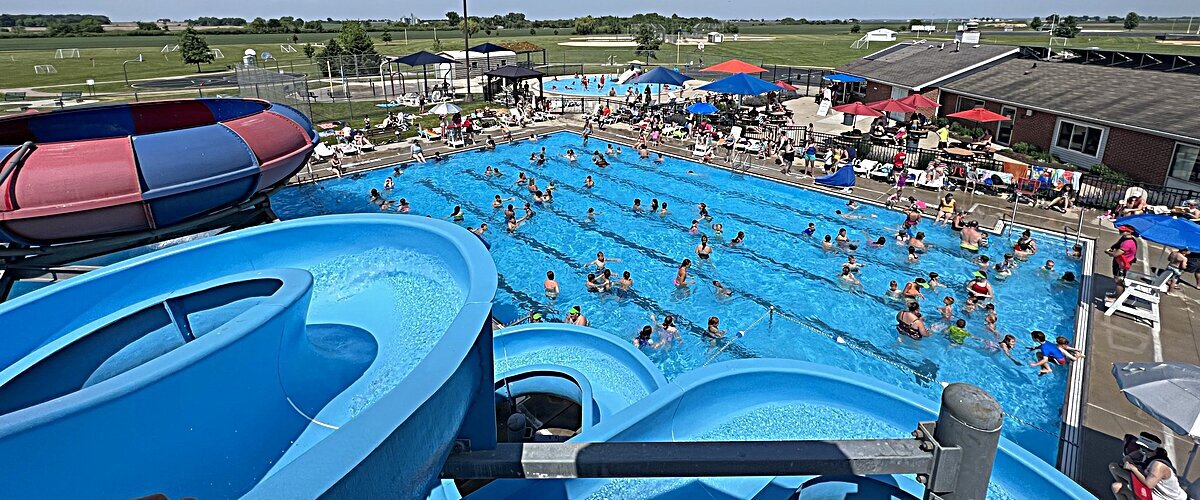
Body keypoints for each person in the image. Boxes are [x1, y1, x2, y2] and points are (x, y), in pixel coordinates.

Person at [1111, 434, 1188, 500]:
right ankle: (1130, 488)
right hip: (1154, 491)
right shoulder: (1148, 454)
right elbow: (1126, 459)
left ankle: (1131, 491)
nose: (1140, 449)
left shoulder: (1159, 465)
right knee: (1113, 467)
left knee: (1116, 487)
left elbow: (1149, 484)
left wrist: (1133, 469)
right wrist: (1131, 460)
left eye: (1142, 446)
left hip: (1166, 498)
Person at [1106, 225, 1139, 303]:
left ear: (1129, 232)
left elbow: (1115, 254)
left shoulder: (1128, 243)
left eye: (1122, 231)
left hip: (1122, 265)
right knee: (1118, 279)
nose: (1120, 231)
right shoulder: (1125, 238)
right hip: (1119, 262)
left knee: (1119, 281)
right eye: (1120, 230)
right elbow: (1116, 246)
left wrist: (1107, 251)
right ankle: (1117, 295)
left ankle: (1117, 300)